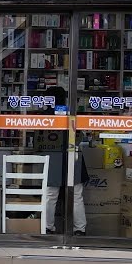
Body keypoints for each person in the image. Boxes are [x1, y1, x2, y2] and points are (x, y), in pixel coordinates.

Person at [41, 87, 88, 236]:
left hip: (52, 158)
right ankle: (80, 229)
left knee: (50, 195)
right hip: (73, 155)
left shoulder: (45, 116)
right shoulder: (71, 114)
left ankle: (48, 227)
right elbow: (80, 137)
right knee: (76, 196)